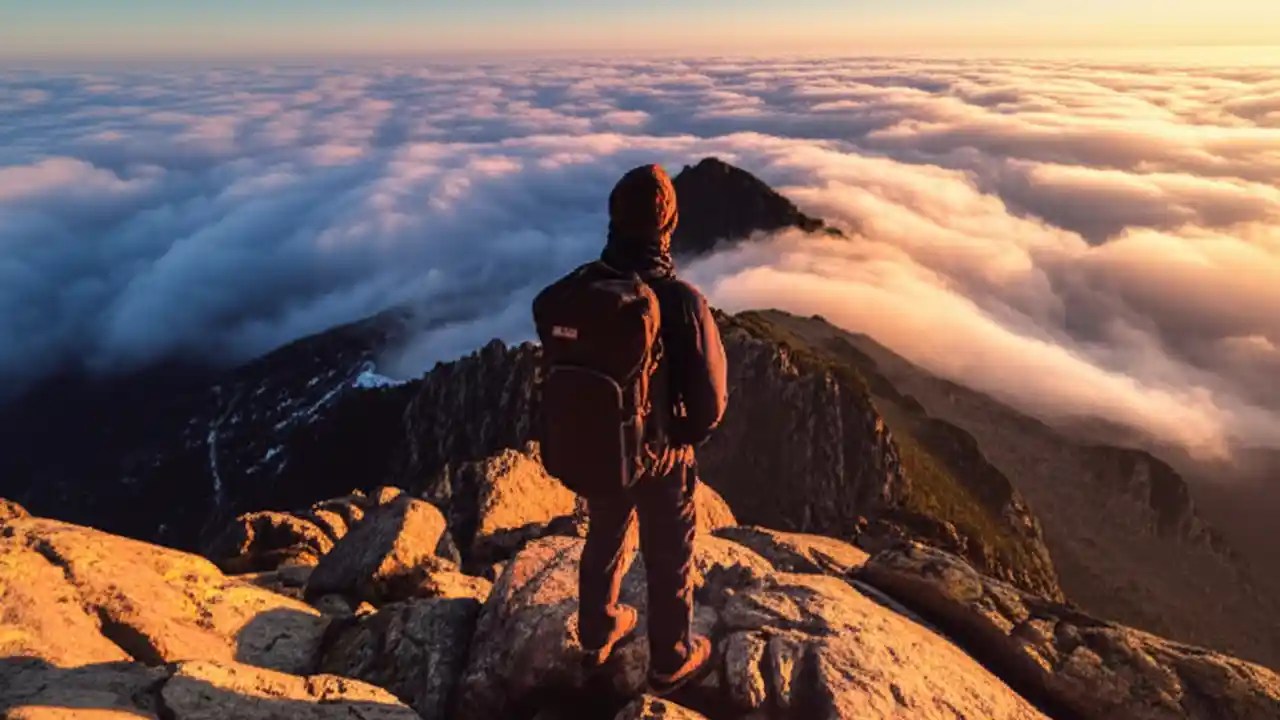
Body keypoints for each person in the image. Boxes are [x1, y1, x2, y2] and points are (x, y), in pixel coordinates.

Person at [576, 164, 729, 695]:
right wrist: (679, 438)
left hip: (598, 447)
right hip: (661, 459)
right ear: (669, 225)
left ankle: (596, 632)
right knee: (669, 552)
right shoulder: (682, 302)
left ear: (614, 219)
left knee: (603, 536)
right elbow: (710, 405)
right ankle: (671, 659)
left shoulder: (585, 289)